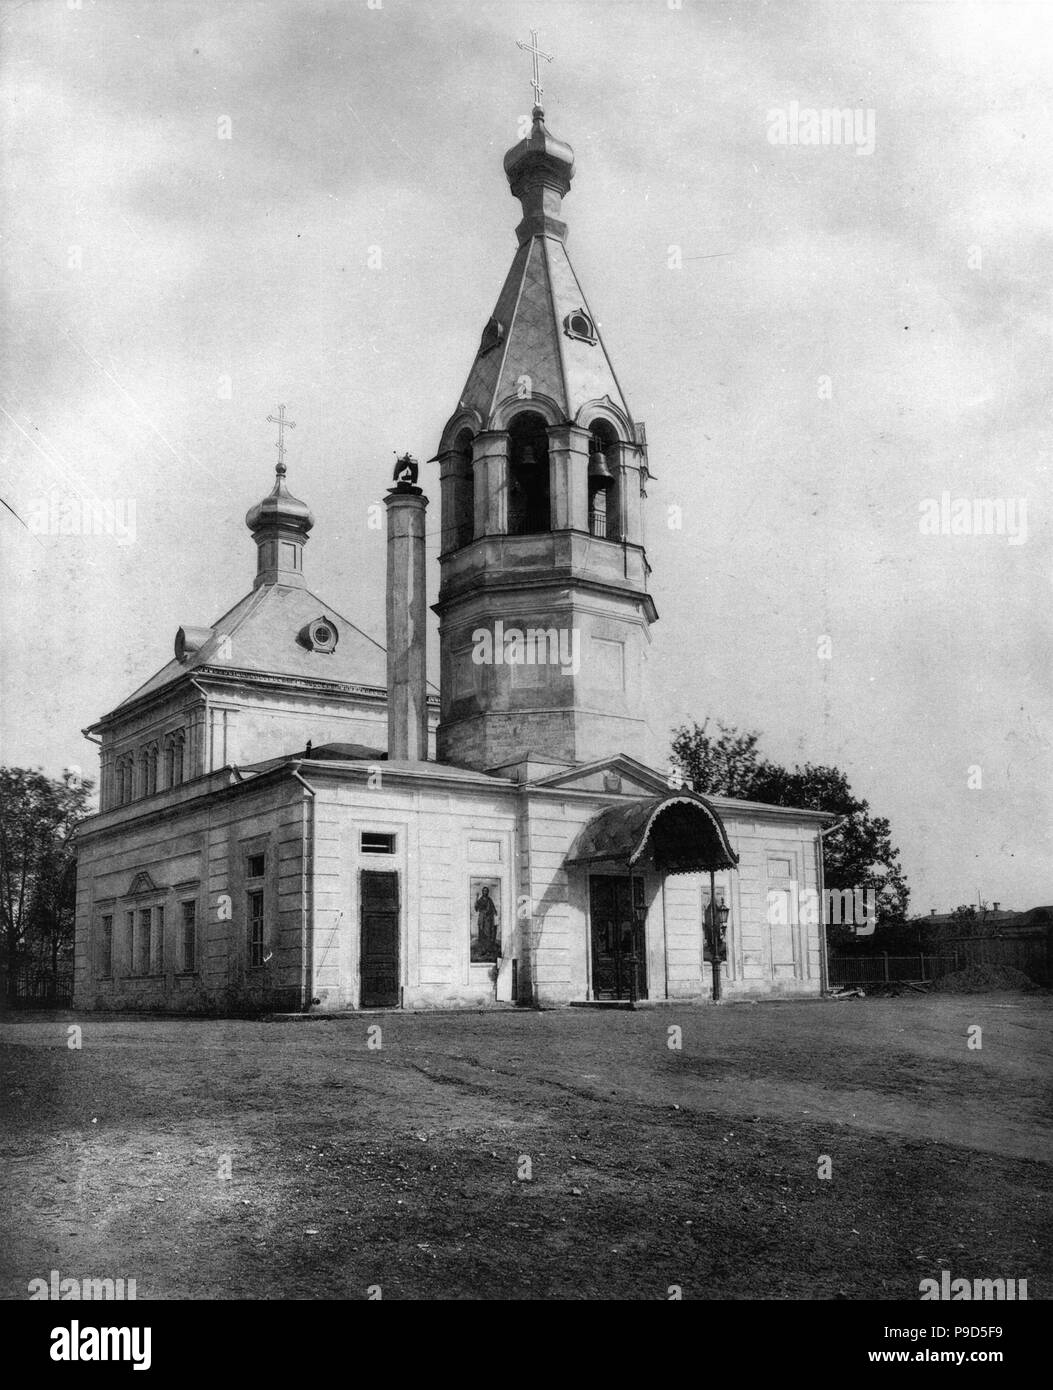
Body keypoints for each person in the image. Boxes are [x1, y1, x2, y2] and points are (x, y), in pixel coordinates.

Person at [474, 885, 499, 962]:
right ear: (482, 892)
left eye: (486, 891)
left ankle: (488, 950)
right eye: (484, 891)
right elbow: (476, 908)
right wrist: (476, 898)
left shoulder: (489, 900)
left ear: (488, 892)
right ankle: (482, 950)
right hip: (482, 920)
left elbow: (493, 908)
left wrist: (495, 912)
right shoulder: (480, 900)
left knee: (489, 935)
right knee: (482, 935)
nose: (485, 892)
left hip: (489, 920)